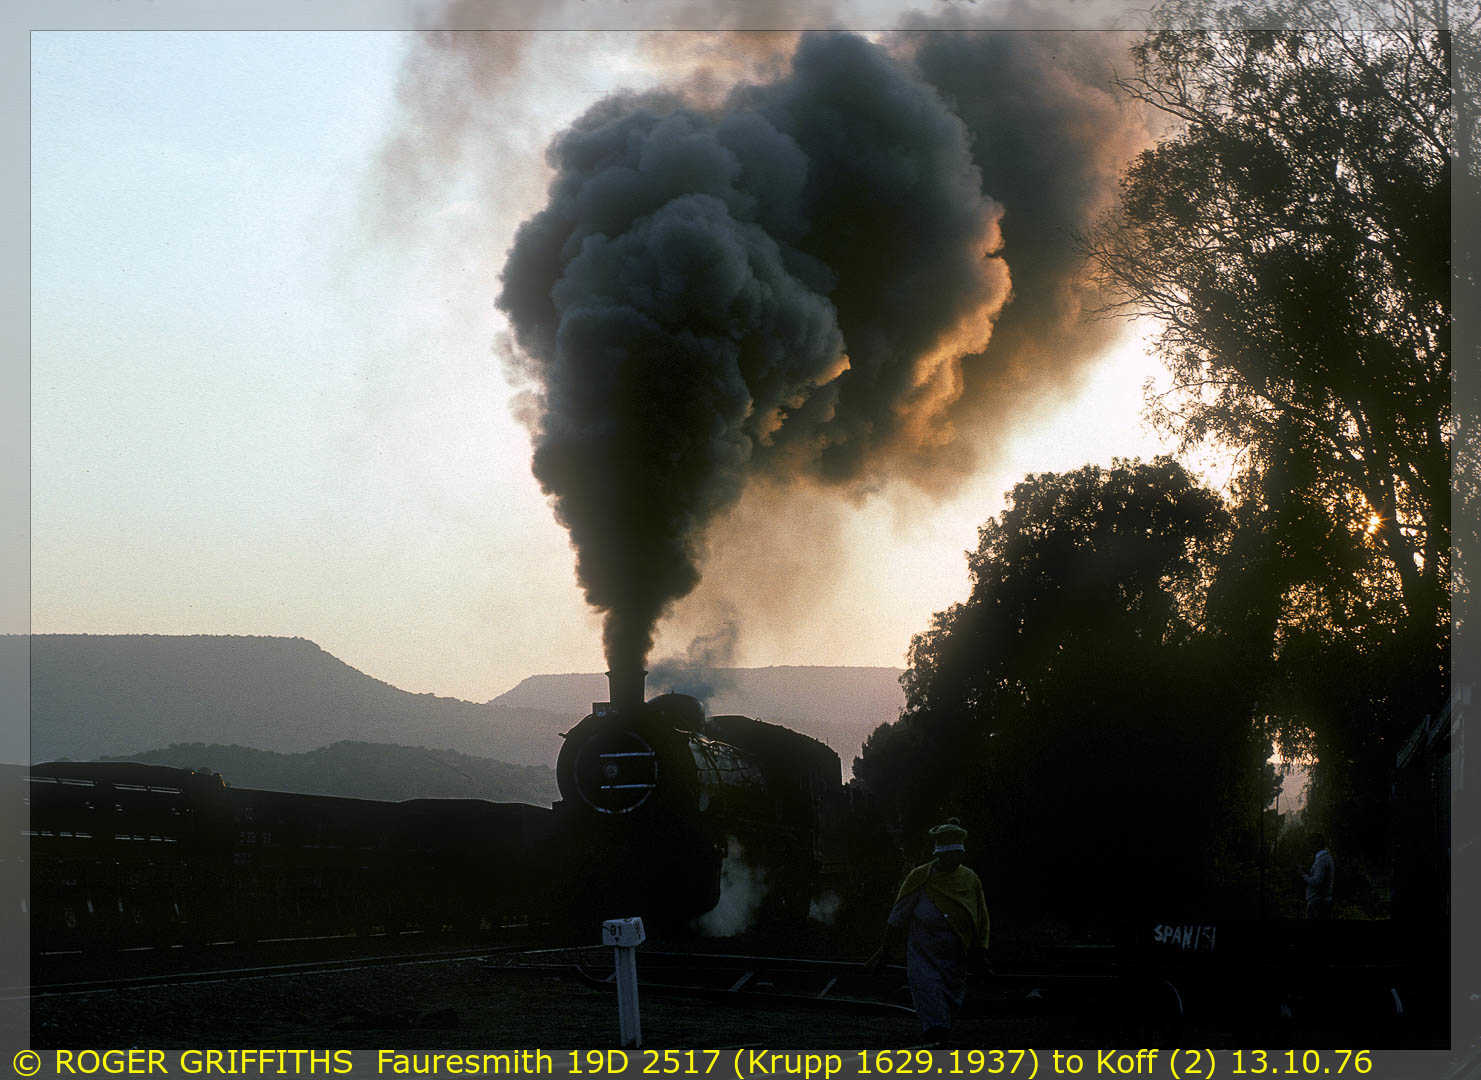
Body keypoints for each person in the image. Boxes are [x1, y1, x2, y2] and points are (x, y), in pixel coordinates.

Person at [865, 818, 990, 1045]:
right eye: (948, 856)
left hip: (956, 959)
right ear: (939, 855)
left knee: (950, 1007)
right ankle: (936, 1044)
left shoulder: (970, 879)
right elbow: (897, 917)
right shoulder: (920, 877)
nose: (953, 861)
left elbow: (981, 918)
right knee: (931, 1003)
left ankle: (941, 1042)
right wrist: (884, 952)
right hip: (924, 957)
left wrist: (980, 950)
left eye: (956, 855)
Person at [1300, 834, 1335, 919]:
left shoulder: (1321, 860)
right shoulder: (1326, 858)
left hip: (1318, 903)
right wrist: (1308, 872)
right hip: (1322, 901)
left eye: (1310, 844)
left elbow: (1316, 882)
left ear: (1316, 845)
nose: (1309, 847)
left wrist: (1302, 875)